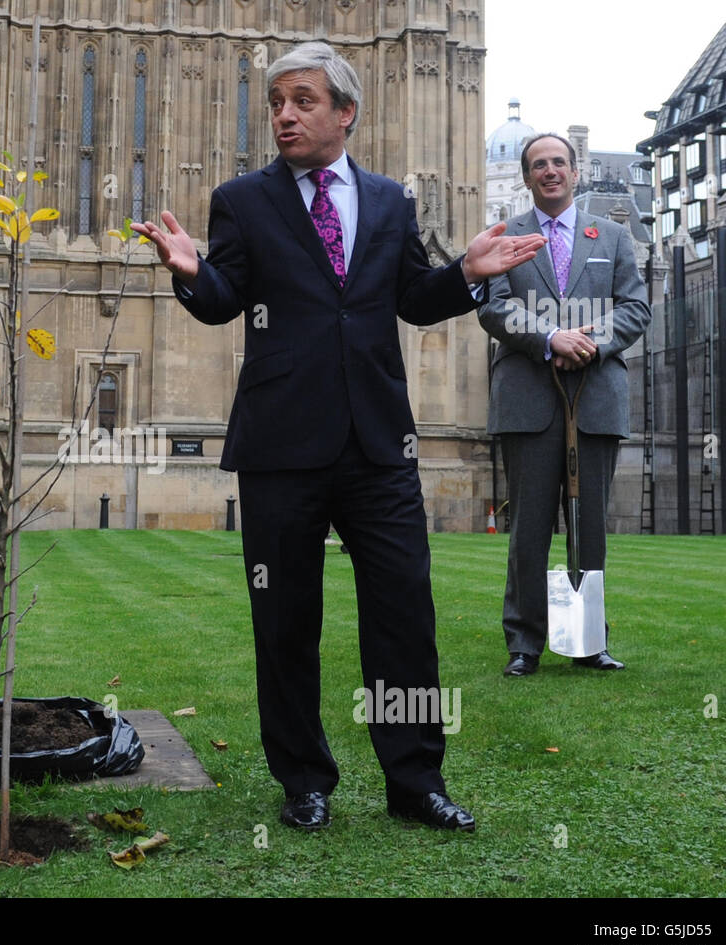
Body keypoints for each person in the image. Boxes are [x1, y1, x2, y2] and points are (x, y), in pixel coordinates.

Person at [132, 41, 545, 831]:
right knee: (284, 620)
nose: (285, 114)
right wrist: (189, 270)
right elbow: (224, 300)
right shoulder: (243, 201)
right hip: (280, 444)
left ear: (345, 113)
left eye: (303, 100)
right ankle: (305, 780)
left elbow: (415, 302)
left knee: (404, 617)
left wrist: (468, 272)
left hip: (380, 445)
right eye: (277, 102)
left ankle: (415, 779)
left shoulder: (390, 202)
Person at [477, 134, 650, 677]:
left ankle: (586, 641)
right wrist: (551, 338)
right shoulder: (508, 236)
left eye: (558, 162)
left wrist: (590, 342)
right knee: (528, 526)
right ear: (527, 179)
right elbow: (494, 308)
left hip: (596, 394)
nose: (549, 171)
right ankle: (524, 644)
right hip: (528, 398)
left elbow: (636, 307)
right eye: (538, 166)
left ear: (576, 171)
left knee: (589, 524)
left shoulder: (615, 236)